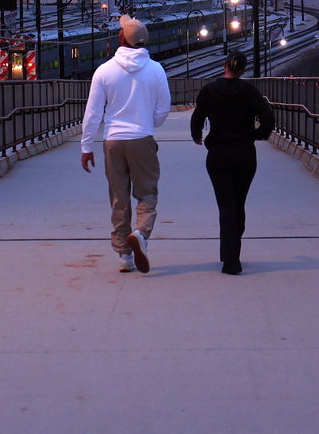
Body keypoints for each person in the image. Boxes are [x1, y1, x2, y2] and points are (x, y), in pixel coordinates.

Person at [81, 15, 171, 273]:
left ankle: (124, 256)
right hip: (142, 139)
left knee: (119, 198)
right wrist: (146, 123)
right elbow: (163, 110)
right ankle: (141, 234)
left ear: (122, 39)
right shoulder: (156, 69)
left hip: (113, 142)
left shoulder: (104, 70)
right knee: (147, 193)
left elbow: (93, 113)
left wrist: (86, 147)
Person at [190, 51, 275, 275]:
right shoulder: (249, 91)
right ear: (243, 70)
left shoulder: (209, 91)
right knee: (238, 204)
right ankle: (231, 253)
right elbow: (268, 118)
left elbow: (197, 117)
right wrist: (256, 135)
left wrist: (197, 135)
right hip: (245, 154)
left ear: (224, 65)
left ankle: (230, 259)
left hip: (218, 154)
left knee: (226, 205)